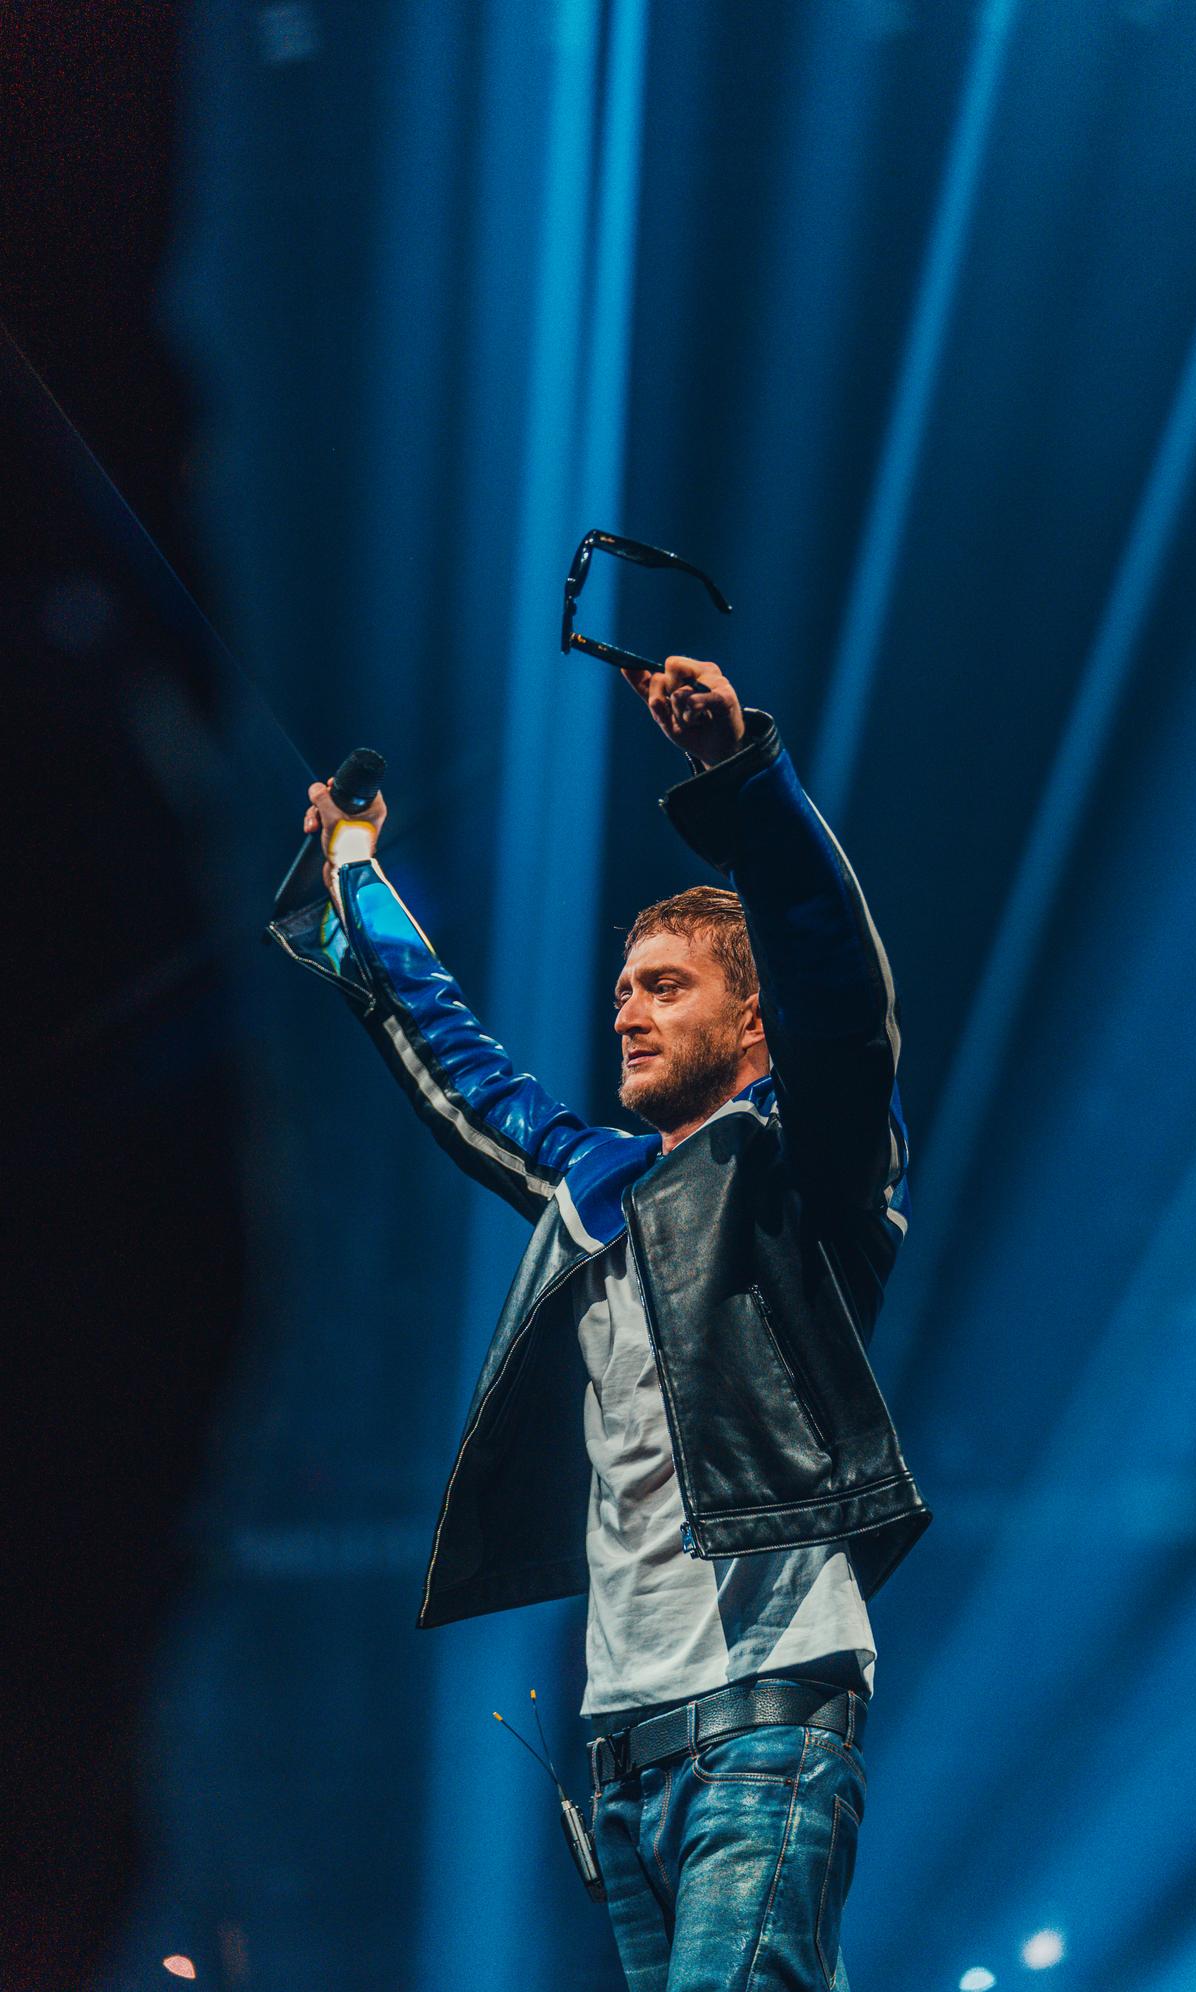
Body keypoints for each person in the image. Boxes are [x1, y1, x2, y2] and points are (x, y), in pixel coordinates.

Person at [269, 654, 930, 1990]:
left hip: (767, 1717)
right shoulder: (598, 1187)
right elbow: (457, 1055)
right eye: (624, 986)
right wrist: (353, 873)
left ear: (752, 1021)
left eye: (667, 985)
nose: (626, 1007)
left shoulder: (804, 1161)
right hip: (623, 1747)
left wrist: (741, 778)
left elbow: (839, 996)